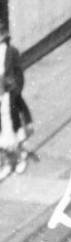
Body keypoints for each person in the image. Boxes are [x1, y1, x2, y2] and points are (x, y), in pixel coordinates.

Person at [0, 27, 26, 178]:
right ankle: (5, 163)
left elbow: (19, 75)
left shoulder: (12, 52)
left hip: (8, 98)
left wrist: (14, 92)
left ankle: (18, 158)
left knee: (11, 130)